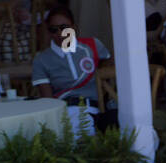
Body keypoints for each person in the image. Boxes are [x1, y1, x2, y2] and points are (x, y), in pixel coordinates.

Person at [30, 5, 111, 138]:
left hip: (99, 107)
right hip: (68, 111)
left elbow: (109, 66)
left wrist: (102, 84)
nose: (60, 33)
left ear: (73, 27)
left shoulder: (92, 45)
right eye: (53, 30)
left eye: (64, 27)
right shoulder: (41, 60)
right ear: (49, 32)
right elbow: (49, 101)